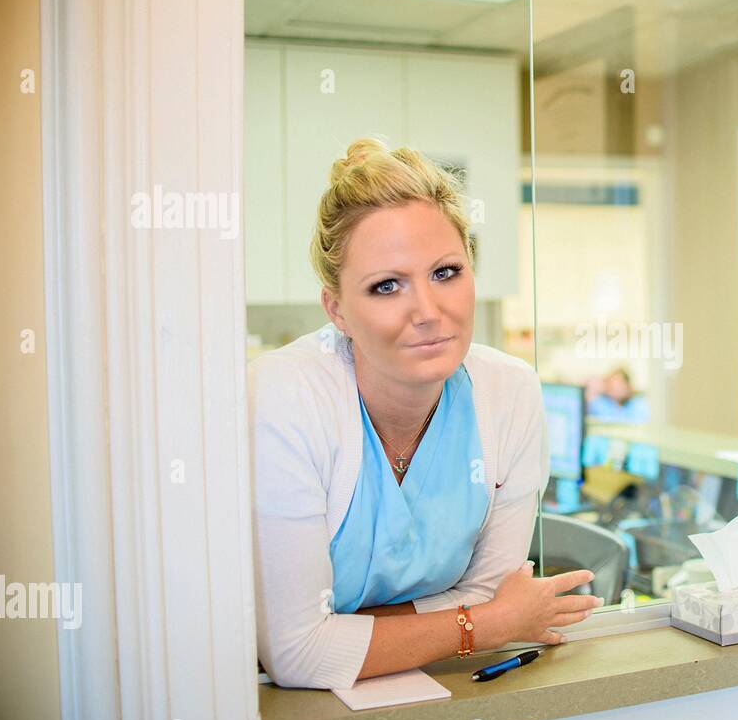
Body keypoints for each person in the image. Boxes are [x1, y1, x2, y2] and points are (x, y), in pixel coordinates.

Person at [250, 137, 600, 690]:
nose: (429, 313)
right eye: (387, 286)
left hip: (435, 695)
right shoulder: (286, 395)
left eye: (445, 273)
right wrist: (485, 624)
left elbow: (487, 591)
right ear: (337, 309)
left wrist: (332, 637)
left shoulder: (510, 392)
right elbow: (296, 656)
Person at [585, 367, 649, 422]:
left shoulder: (638, 404)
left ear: (628, 386)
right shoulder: (600, 402)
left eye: (619, 384)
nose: (615, 387)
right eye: (612, 383)